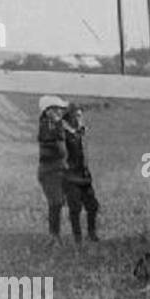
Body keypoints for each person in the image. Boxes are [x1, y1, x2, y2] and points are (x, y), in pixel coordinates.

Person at [61, 103, 100, 242]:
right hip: (70, 177)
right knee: (75, 208)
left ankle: (91, 233)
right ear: (70, 117)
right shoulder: (64, 134)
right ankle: (77, 237)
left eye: (80, 116)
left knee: (93, 206)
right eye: (77, 116)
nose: (80, 119)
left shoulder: (80, 132)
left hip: (84, 176)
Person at [36, 95, 68, 244]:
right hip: (50, 171)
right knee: (55, 202)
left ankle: (54, 235)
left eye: (61, 109)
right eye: (56, 109)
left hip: (57, 169)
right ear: (48, 111)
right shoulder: (46, 125)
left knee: (58, 202)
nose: (60, 112)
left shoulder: (56, 125)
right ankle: (54, 235)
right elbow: (53, 144)